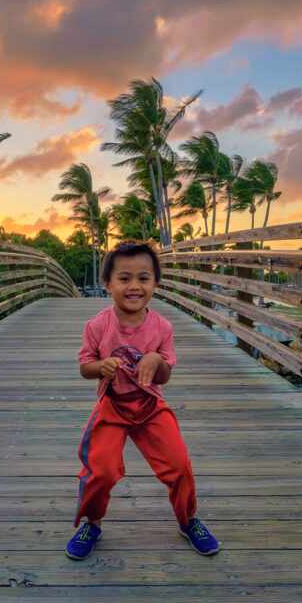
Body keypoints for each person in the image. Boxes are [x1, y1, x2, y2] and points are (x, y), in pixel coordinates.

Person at [67, 239, 219, 560]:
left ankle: (188, 519)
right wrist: (100, 366)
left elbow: (165, 374)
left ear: (155, 283)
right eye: (124, 278)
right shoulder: (96, 326)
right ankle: (92, 523)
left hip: (150, 406)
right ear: (107, 284)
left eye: (143, 278)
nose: (134, 286)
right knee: (101, 470)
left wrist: (156, 361)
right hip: (113, 405)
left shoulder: (162, 327)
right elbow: (85, 367)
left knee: (179, 465)